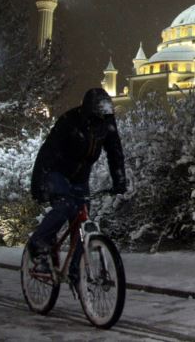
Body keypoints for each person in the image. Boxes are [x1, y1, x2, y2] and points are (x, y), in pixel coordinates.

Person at [27, 87, 127, 277]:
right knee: (64, 206)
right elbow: (47, 152)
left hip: (80, 176)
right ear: (90, 110)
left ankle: (76, 270)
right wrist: (39, 185)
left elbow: (115, 153)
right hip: (56, 171)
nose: (103, 118)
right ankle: (38, 245)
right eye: (100, 113)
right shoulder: (70, 121)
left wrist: (119, 181)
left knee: (82, 217)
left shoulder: (106, 125)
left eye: (106, 113)